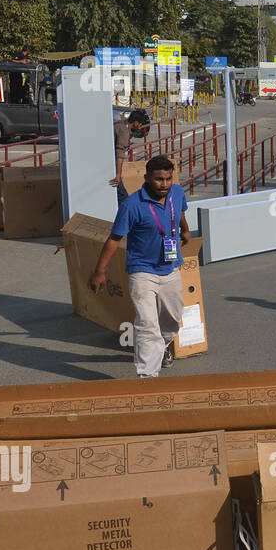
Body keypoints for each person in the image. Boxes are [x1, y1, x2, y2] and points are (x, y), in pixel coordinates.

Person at [88, 156, 190, 378]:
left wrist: (185, 229)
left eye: (168, 179)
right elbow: (114, 239)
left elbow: (180, 211)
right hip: (142, 270)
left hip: (171, 267)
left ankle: (160, 348)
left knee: (172, 321)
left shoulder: (177, 192)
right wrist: (100, 271)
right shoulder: (131, 205)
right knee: (147, 324)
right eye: (159, 179)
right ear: (147, 178)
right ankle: (147, 376)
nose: (164, 184)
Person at [109, 109, 152, 204]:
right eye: (140, 125)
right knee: (123, 197)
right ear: (136, 123)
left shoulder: (122, 125)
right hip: (110, 165)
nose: (140, 127)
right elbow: (119, 154)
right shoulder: (124, 132)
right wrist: (118, 175)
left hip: (109, 163)